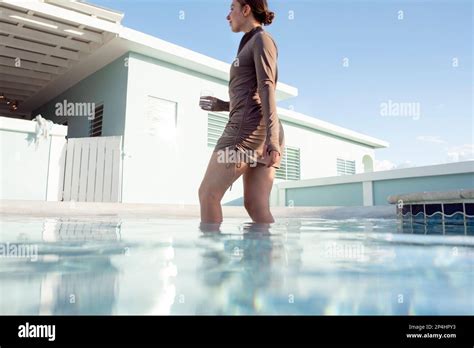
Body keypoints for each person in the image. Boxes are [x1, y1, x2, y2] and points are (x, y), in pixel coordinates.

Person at [199, 0, 284, 227]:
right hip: (257, 128)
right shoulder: (249, 43)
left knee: (208, 194)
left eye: (232, 8)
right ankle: (268, 261)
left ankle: (213, 262)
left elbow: (267, 87)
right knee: (255, 205)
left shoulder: (262, 40)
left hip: (247, 131)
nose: (228, 16)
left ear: (246, 9)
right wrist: (224, 105)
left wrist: (272, 140)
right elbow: (251, 92)